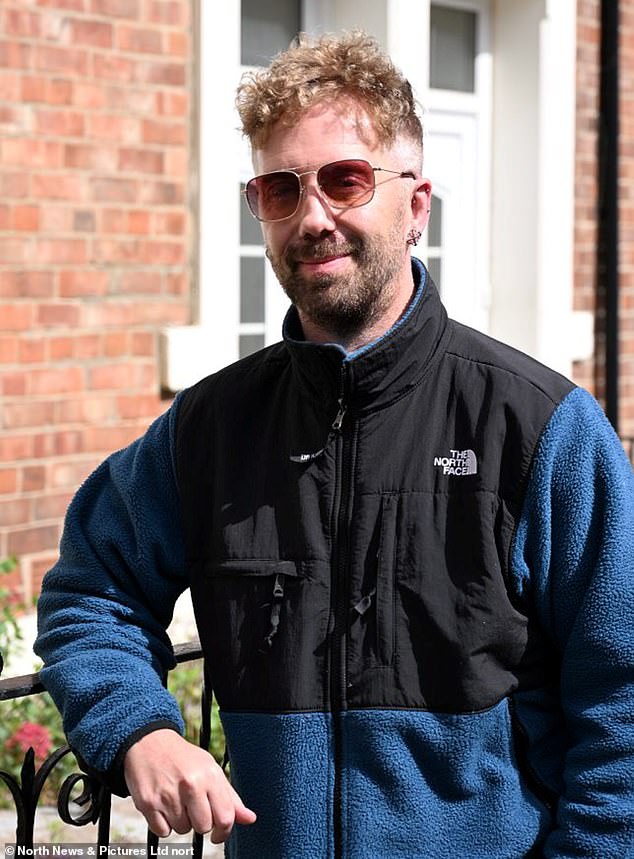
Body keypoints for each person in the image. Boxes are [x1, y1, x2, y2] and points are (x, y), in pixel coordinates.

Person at [35, 31, 634, 859]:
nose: (313, 216)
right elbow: (89, 592)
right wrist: (137, 727)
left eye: (345, 180)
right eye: (280, 189)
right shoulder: (209, 429)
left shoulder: (541, 430)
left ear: (416, 203)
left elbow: (624, 705)